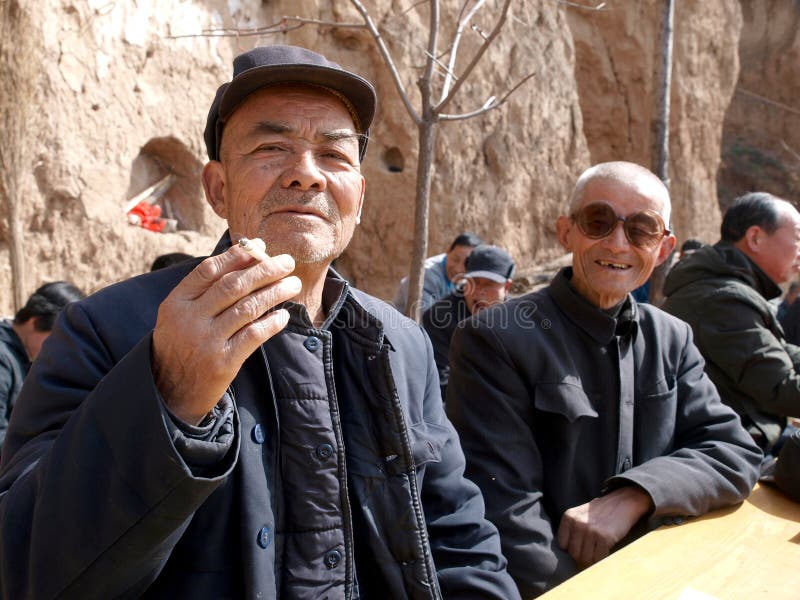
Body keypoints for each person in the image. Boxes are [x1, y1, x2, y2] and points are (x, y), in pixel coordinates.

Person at [0, 45, 518, 599]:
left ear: (359, 197)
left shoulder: (401, 343)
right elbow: (24, 566)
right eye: (272, 148)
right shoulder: (107, 331)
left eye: (334, 156)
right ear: (218, 189)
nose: (306, 176)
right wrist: (167, 399)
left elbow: (457, 536)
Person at [446, 161, 762, 598]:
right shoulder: (496, 338)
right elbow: (507, 513)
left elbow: (732, 451)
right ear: (566, 231)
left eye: (642, 229)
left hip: (660, 576)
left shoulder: (670, 337)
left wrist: (635, 495)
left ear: (664, 248)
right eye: (598, 221)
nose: (617, 243)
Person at [663, 192, 800, 456]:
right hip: (724, 448)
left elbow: (778, 350)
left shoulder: (727, 287)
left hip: (742, 432)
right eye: (797, 239)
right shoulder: (724, 300)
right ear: (755, 238)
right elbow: (781, 389)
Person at [422, 244, 514, 398]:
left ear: (506, 287)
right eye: (474, 282)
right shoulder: (439, 318)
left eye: (489, 284)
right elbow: (438, 384)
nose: (479, 291)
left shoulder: (517, 319)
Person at [0, 281, 85, 448]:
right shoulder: (3, 358)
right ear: (34, 322)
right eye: (55, 339)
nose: (59, 350)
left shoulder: (22, 357)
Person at [392, 231, 483, 314]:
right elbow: (427, 320)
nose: (458, 269)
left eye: (466, 264)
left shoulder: (470, 278)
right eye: (455, 259)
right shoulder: (426, 275)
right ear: (448, 251)